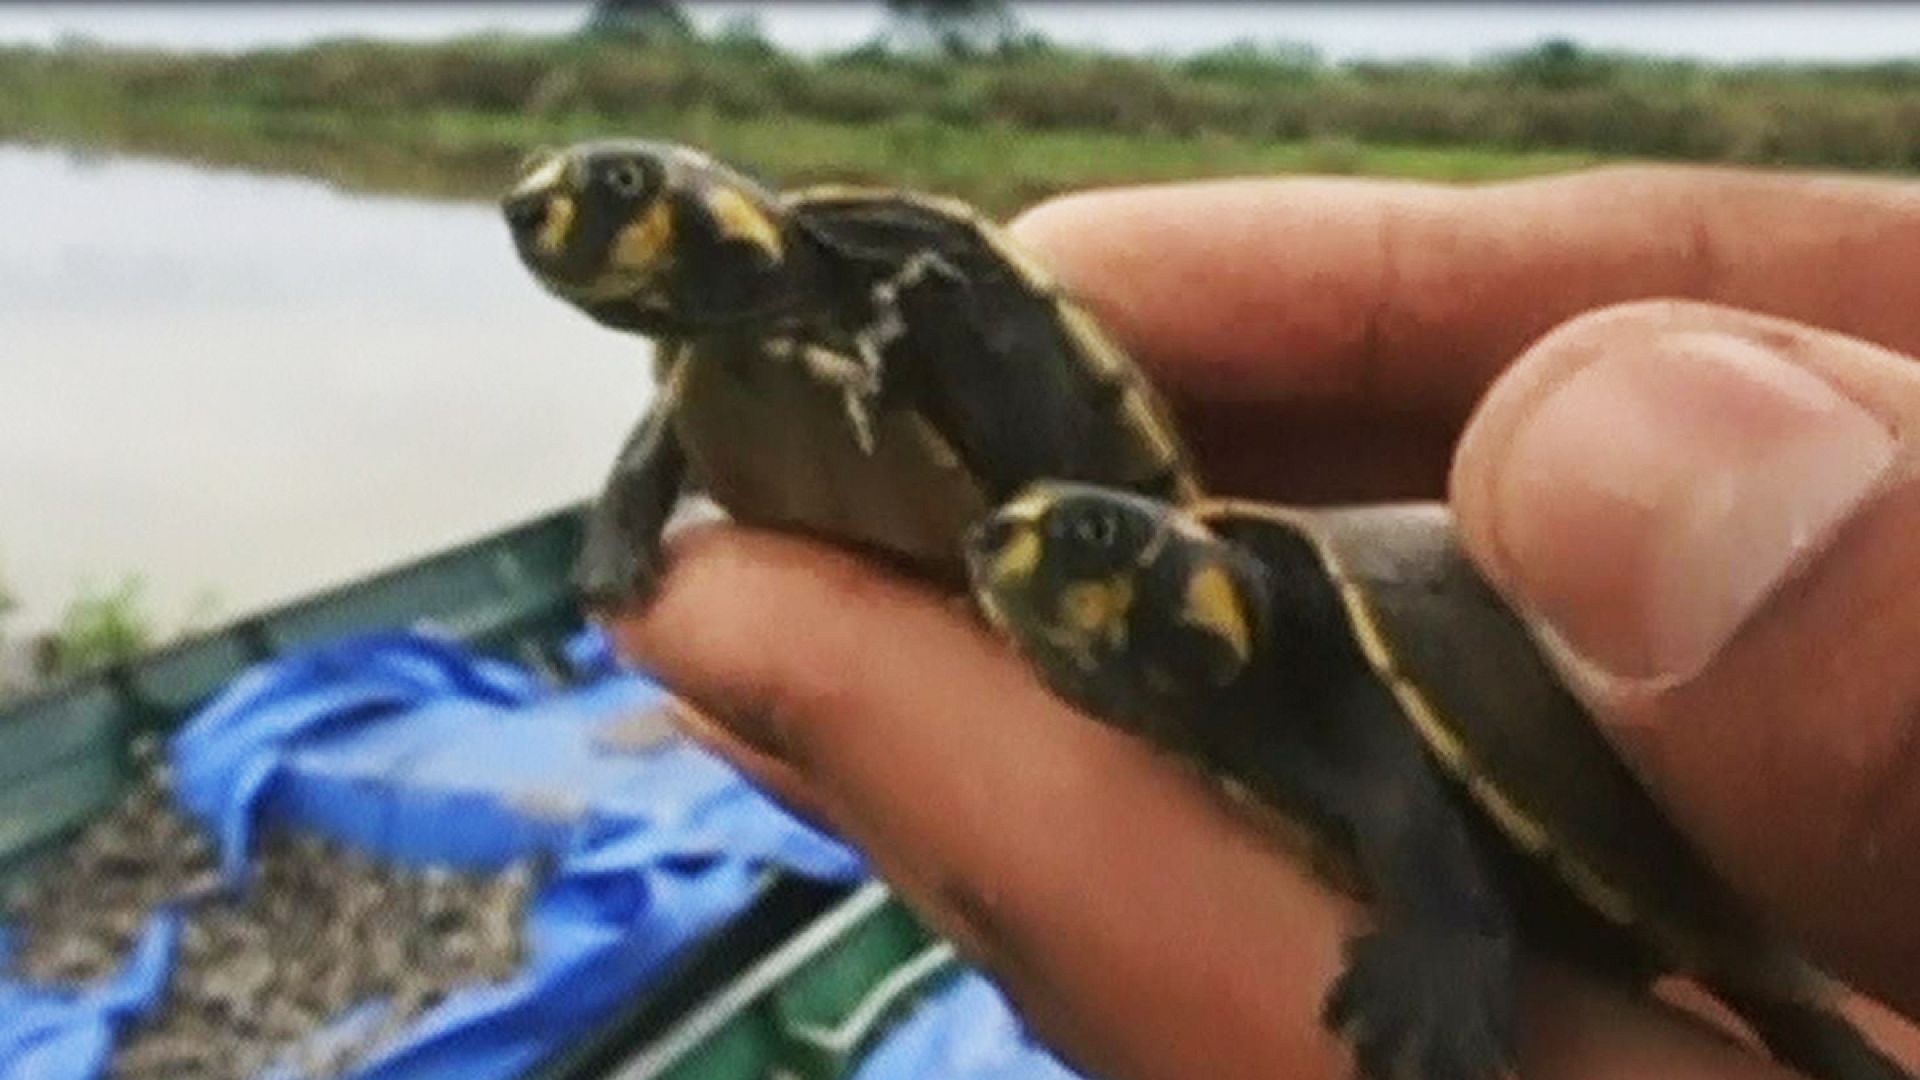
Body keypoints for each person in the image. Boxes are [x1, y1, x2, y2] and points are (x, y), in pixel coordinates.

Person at [611, 165, 1920, 1079]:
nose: (1031, 562)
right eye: (1021, 567)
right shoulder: (1207, 679)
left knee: (1787, 1011)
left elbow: (1399, 793)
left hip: (1675, 849)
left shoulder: (1333, 671)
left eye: (1096, 546)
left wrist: (1445, 953)